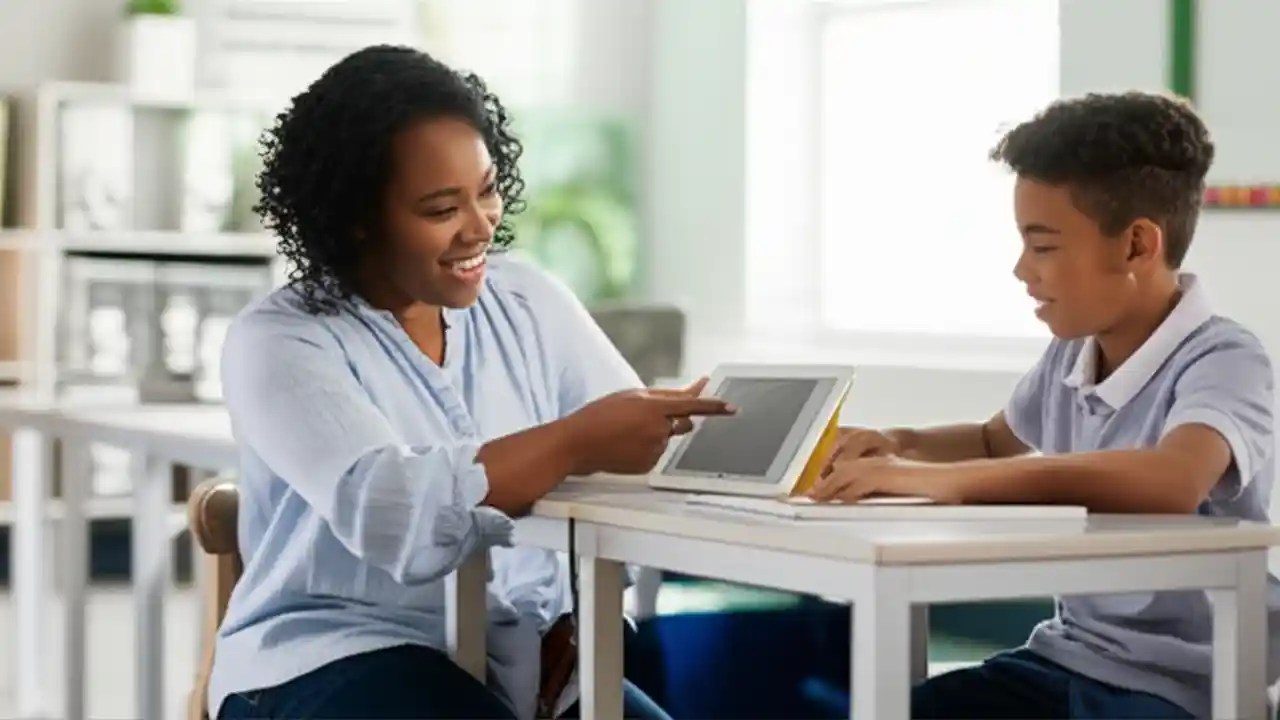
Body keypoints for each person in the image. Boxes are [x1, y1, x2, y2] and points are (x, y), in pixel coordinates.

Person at [210, 45, 733, 720]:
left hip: (526, 670)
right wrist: (576, 441)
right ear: (356, 216)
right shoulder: (282, 339)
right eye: (439, 208)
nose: (481, 225)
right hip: (329, 659)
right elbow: (389, 509)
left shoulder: (527, 299)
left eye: (486, 189)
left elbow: (630, 452)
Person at [811, 91, 1278, 719]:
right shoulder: (1072, 353)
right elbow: (989, 440)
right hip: (1066, 658)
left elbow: (1172, 478)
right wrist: (899, 442)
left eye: (1044, 246)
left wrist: (942, 484)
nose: (1021, 270)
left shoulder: (1225, 358)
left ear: (1137, 245)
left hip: (1182, 688)